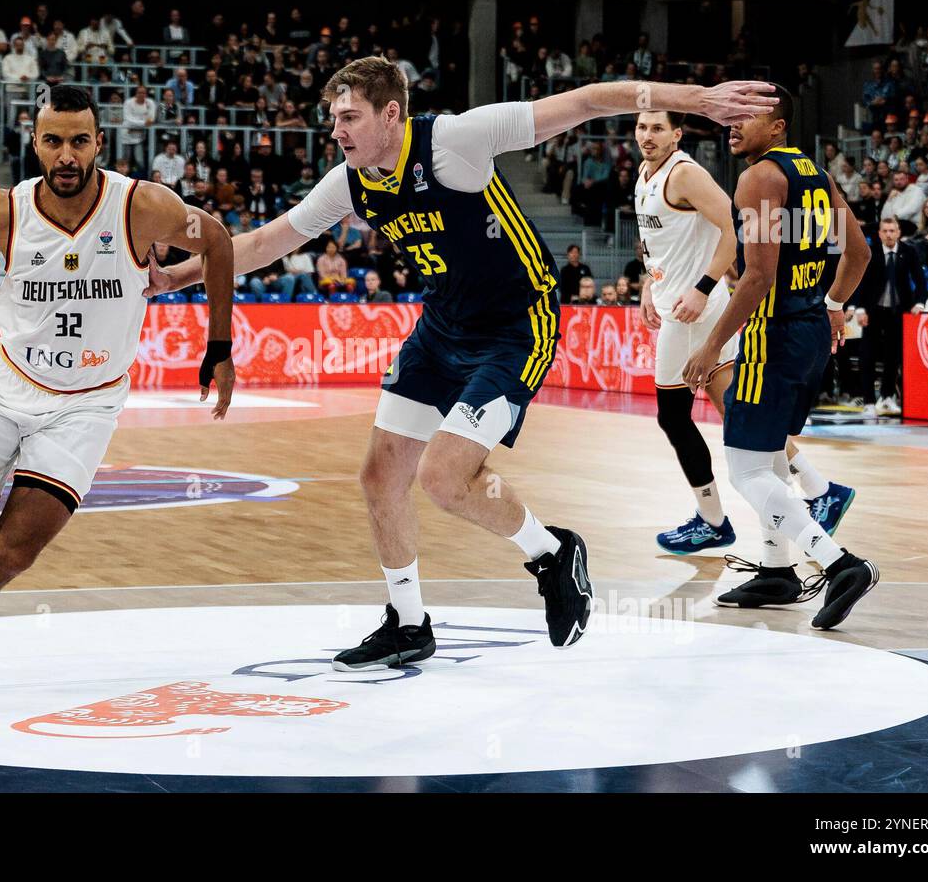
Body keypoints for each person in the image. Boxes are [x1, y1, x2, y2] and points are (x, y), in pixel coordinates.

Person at [147, 54, 778, 664]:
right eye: (334, 118)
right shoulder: (349, 182)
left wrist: (695, 100)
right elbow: (269, 239)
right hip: (442, 327)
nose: (335, 130)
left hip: (517, 325)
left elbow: (586, 102)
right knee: (379, 475)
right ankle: (409, 621)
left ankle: (551, 551)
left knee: (444, 476)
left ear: (390, 114)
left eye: (349, 118)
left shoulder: (457, 140)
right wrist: (175, 277)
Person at [0, 86, 235, 703]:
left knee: (15, 552)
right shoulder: (6, 211)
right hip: (5, 386)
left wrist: (219, 347)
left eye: (80, 141)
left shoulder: (143, 206)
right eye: (53, 141)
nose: (67, 155)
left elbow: (216, 241)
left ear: (98, 144)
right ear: (35, 144)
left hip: (88, 403)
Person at [682, 84, 876, 630]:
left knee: (745, 469)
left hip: (774, 336)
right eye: (733, 116)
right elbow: (858, 251)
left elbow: (760, 277)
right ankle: (777, 570)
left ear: (779, 126)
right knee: (766, 457)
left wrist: (712, 344)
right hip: (811, 330)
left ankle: (840, 565)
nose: (734, 124)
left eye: (751, 116)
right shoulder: (814, 174)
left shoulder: (759, 177)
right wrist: (833, 302)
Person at [634, 109, 852, 554]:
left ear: (677, 134)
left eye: (658, 127)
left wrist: (702, 287)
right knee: (738, 414)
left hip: (700, 313)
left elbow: (731, 234)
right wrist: (647, 284)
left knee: (680, 415)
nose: (647, 135)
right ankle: (815, 490)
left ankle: (716, 519)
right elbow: (657, 243)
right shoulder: (644, 173)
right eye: (641, 127)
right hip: (681, 307)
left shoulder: (688, 175)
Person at [855, 216, 926, 416]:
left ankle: (887, 397)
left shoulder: (908, 252)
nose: (888, 234)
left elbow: (920, 280)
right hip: (873, 310)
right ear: (879, 234)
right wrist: (860, 309)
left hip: (898, 310)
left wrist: (919, 303)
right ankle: (869, 401)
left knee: (893, 355)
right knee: (867, 355)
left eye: (892, 231)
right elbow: (860, 282)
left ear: (899, 232)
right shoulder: (872, 252)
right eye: (884, 231)